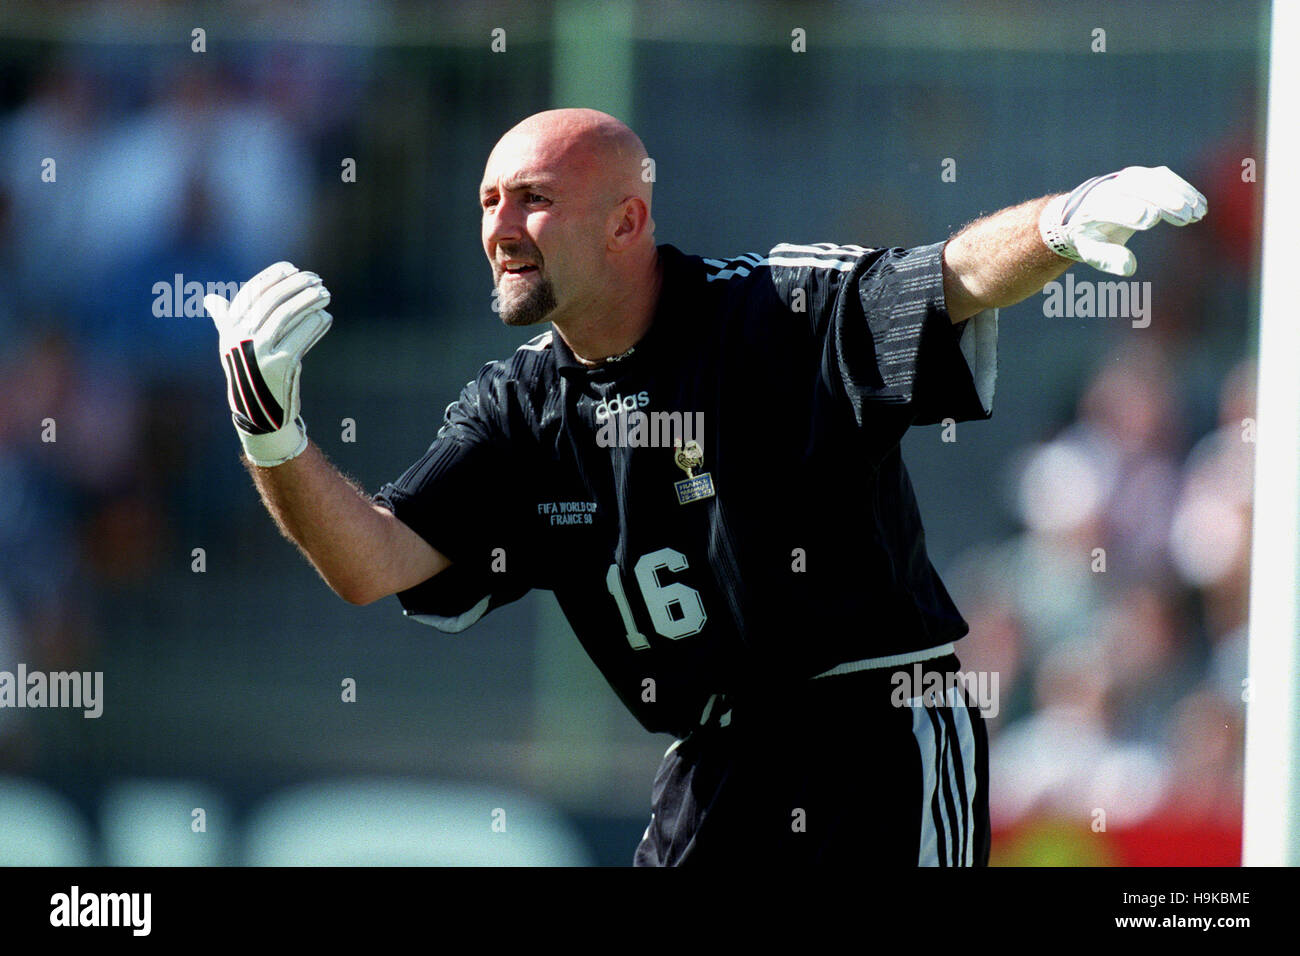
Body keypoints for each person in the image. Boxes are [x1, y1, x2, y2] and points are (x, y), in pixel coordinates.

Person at [204, 108, 1206, 866]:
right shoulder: (514, 410)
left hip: (878, 737)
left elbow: (941, 275)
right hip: (717, 758)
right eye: (486, 201)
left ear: (626, 220)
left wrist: (1065, 222)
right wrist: (271, 432)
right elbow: (371, 561)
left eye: (533, 198)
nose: (501, 224)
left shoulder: (768, 309)